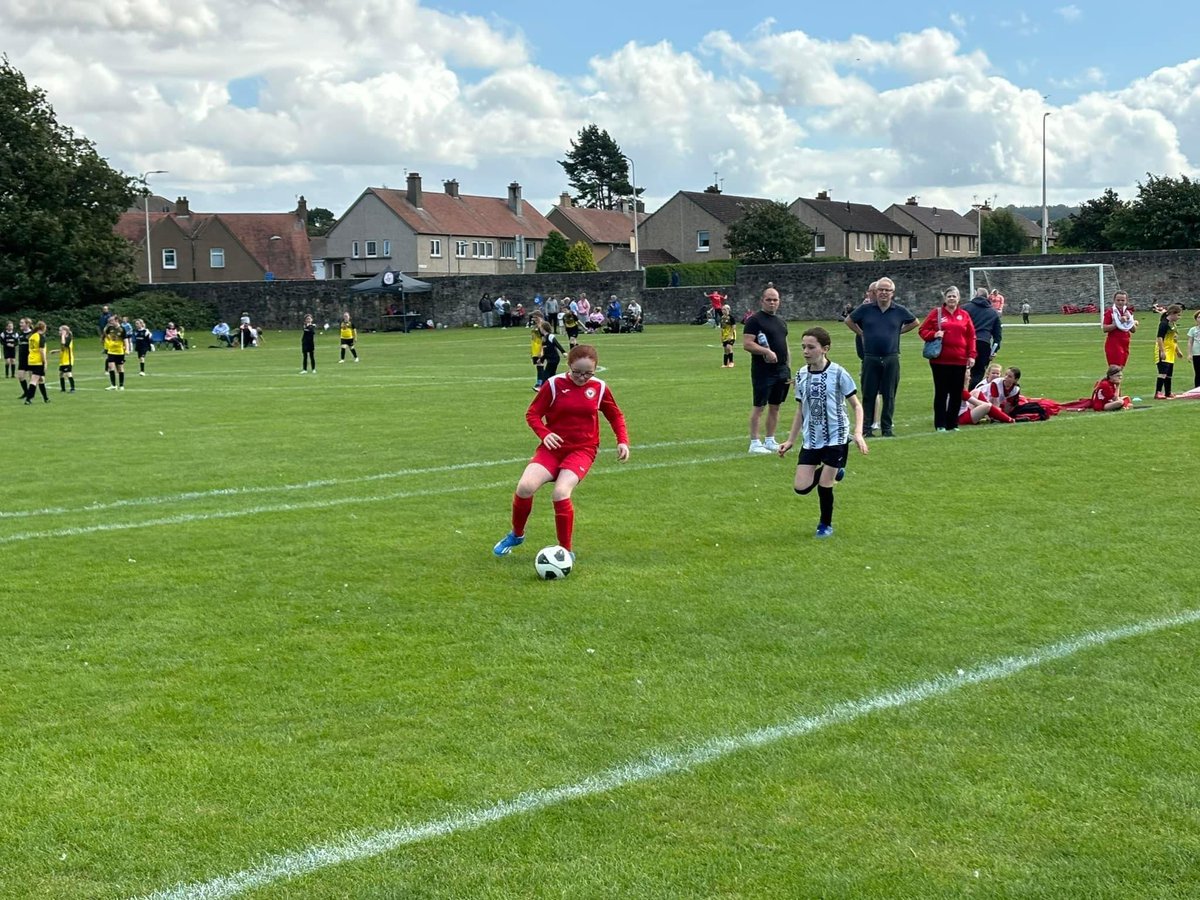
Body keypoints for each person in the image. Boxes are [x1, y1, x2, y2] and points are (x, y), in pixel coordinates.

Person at [492, 344, 629, 559]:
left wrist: (622, 441)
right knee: (525, 487)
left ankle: (565, 550)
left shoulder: (600, 387)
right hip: (552, 449)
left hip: (583, 449)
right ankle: (517, 535)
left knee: (560, 492)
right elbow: (533, 414)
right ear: (569, 366)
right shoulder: (553, 385)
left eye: (588, 373)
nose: (582, 377)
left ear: (595, 369)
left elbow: (615, 415)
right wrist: (545, 434)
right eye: (577, 372)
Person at [777, 326, 868, 538]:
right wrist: (791, 440)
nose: (806, 351)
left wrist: (858, 433)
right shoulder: (800, 375)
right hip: (811, 438)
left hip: (836, 436)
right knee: (801, 487)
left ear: (825, 349)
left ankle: (825, 525)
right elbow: (801, 410)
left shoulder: (838, 373)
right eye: (803, 347)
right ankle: (837, 470)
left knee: (825, 485)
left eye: (811, 347)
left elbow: (856, 405)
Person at [845, 276, 917, 437]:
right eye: (881, 290)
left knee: (889, 395)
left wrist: (898, 332)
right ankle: (866, 429)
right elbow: (849, 320)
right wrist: (861, 333)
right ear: (875, 292)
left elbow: (914, 322)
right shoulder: (866, 309)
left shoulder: (899, 310)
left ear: (893, 293)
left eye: (887, 290)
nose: (884, 293)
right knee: (869, 394)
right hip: (870, 357)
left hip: (891, 357)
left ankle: (887, 428)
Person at [918, 286, 976, 431]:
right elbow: (922, 330)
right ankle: (940, 424)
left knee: (957, 393)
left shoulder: (964, 315)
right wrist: (934, 334)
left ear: (958, 299)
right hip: (940, 360)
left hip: (960, 359)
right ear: (945, 298)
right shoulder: (936, 313)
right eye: (949, 296)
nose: (951, 299)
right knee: (941, 392)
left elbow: (971, 336)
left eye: (954, 296)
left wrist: (972, 355)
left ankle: (952, 424)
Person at [743, 285, 791, 454]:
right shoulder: (754, 320)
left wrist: (788, 367)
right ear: (762, 301)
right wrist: (766, 351)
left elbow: (785, 346)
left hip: (781, 370)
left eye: (775, 300)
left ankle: (770, 439)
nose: (772, 303)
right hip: (763, 371)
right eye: (769, 299)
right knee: (759, 406)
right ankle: (754, 442)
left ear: (779, 302)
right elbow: (747, 343)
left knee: (776, 405)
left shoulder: (780, 322)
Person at [965, 286, 1002, 388]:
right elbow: (997, 335)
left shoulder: (965, 308)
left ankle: (962, 397)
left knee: (963, 372)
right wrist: (994, 351)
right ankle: (973, 396)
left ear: (976, 295)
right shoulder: (993, 312)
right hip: (984, 343)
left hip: (966, 343)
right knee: (978, 373)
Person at [1154, 303, 1183, 399]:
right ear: (1172, 313)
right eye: (1178, 315)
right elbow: (1159, 338)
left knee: (1169, 374)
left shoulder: (1172, 324)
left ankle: (1168, 392)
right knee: (1163, 372)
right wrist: (1162, 351)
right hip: (1164, 350)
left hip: (1171, 352)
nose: (1179, 317)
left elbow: (1173, 340)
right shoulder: (1164, 324)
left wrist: (1177, 351)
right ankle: (1158, 392)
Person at [1102, 291, 1138, 366]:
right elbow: (1105, 328)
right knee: (1115, 369)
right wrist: (1118, 323)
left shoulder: (1128, 312)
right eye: (1118, 300)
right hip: (1114, 342)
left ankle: (1109, 378)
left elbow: (1133, 330)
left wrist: (1130, 321)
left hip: (1125, 342)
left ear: (1126, 301)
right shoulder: (1110, 312)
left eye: (1122, 300)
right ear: (1114, 300)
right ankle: (1107, 378)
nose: (1120, 302)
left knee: (1121, 367)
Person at [22, 321, 50, 404]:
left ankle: (46, 398)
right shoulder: (40, 337)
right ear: (43, 328)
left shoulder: (32, 336)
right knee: (34, 380)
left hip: (31, 360)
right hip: (38, 361)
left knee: (41, 379)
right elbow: (41, 350)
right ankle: (28, 399)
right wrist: (45, 362)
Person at [103, 316, 127, 390]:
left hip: (119, 352)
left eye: (112, 321)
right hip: (111, 351)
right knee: (111, 367)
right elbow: (105, 333)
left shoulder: (122, 329)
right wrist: (109, 339)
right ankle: (113, 385)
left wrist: (127, 349)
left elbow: (125, 340)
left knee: (120, 368)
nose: (111, 322)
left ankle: (121, 385)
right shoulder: (110, 328)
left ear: (116, 320)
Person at [539, 319, 564, 385]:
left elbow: (557, 344)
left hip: (554, 358)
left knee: (546, 373)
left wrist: (563, 352)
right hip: (550, 358)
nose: (540, 329)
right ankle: (556, 386)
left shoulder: (550, 336)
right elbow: (546, 352)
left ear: (543, 328)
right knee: (552, 374)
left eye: (541, 328)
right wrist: (541, 359)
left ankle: (542, 387)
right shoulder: (544, 338)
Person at [52, 324, 75, 392]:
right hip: (63, 359)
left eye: (60, 330)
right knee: (61, 374)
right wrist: (56, 351)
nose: (59, 332)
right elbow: (63, 349)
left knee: (68, 373)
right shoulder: (64, 338)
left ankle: (72, 388)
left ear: (65, 331)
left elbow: (64, 344)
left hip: (68, 359)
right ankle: (63, 388)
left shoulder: (69, 338)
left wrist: (62, 336)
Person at [15, 318, 31, 397]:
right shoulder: (20, 334)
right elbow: (18, 346)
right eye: (20, 323)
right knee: (20, 376)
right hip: (22, 359)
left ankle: (31, 394)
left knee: (33, 378)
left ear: (27, 324)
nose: (20, 324)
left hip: (31, 358)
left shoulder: (32, 334)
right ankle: (26, 392)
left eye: (22, 323)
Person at [1187, 310, 1200, 389]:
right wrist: (1189, 354)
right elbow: (1190, 342)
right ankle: (1197, 388)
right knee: (1198, 372)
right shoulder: (1193, 330)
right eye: (1199, 317)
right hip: (1197, 353)